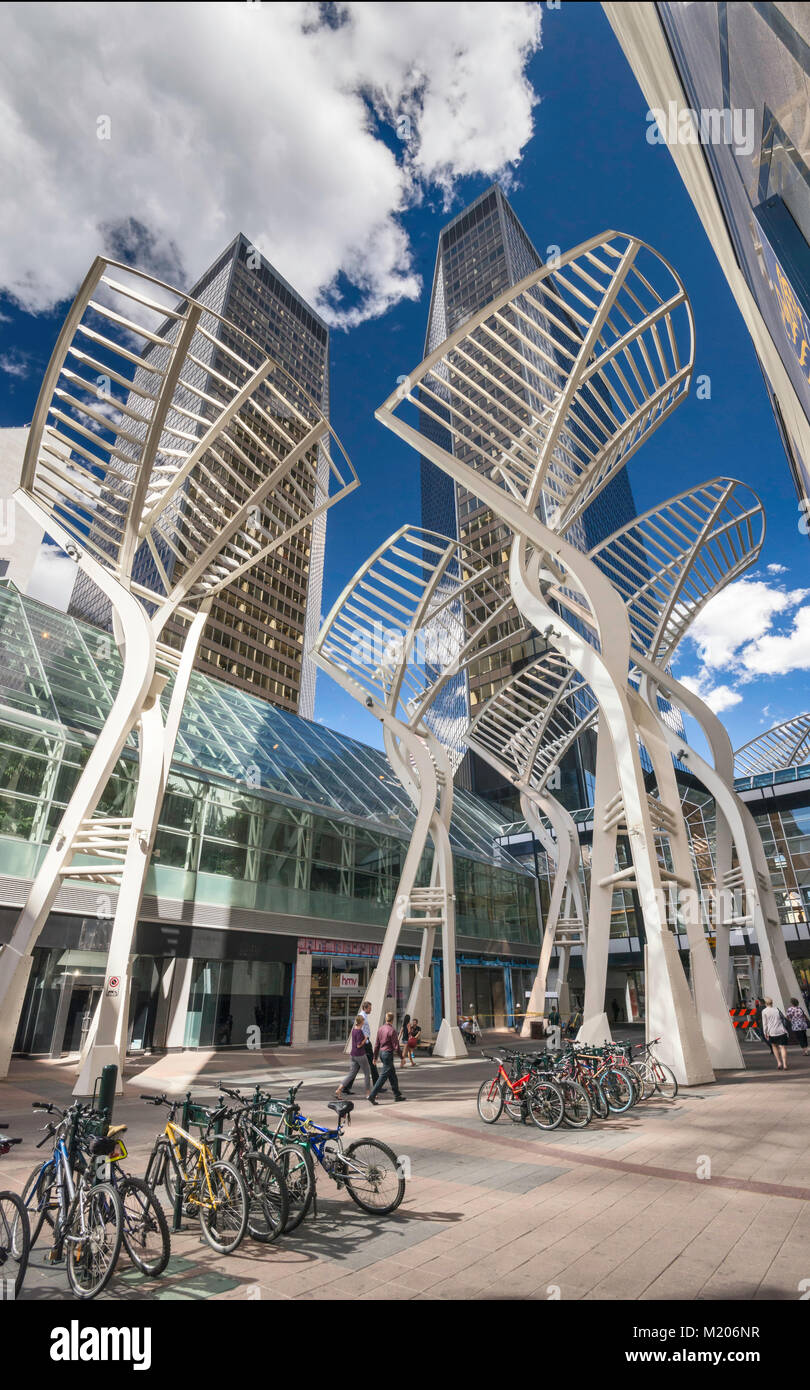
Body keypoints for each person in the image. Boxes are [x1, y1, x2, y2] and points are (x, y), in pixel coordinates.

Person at [368, 1012, 406, 1104]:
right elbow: (396, 1046)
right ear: (392, 1020)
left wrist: (375, 1057)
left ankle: (397, 1095)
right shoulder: (392, 1030)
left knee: (392, 1075)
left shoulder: (380, 1029)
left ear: (386, 1019)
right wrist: (402, 1057)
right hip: (388, 1054)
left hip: (382, 1053)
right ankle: (372, 1095)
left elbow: (377, 1044)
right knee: (383, 1076)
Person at [336, 1015, 372, 1098]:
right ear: (361, 1022)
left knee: (351, 1074)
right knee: (367, 1073)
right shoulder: (359, 1031)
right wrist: (365, 1039)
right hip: (360, 1054)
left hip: (353, 1055)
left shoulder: (354, 1029)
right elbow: (359, 1045)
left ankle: (339, 1089)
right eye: (363, 1021)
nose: (364, 1022)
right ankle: (368, 1093)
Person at [760, 997, 790, 1069]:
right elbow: (783, 1019)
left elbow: (765, 1024)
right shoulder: (777, 1009)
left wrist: (765, 1033)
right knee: (783, 1047)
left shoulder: (764, 1011)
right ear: (772, 1003)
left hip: (772, 1032)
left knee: (774, 1047)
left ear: (765, 1003)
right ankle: (785, 1065)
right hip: (781, 1031)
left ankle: (779, 1063)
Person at [358, 1000, 379, 1086]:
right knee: (373, 1063)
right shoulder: (362, 1016)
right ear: (365, 1008)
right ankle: (377, 1085)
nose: (371, 1010)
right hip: (365, 1044)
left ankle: (346, 1087)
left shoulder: (363, 1015)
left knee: (356, 1067)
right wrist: (366, 1041)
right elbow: (361, 1030)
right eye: (369, 1008)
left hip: (365, 1043)